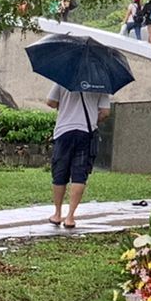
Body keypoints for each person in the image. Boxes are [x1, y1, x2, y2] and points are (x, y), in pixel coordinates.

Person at [44, 81, 112, 228]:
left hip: (63, 132)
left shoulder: (63, 78)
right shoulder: (100, 83)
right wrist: (94, 117)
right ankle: (70, 217)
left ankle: (57, 214)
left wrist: (64, 105)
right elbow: (105, 112)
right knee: (79, 174)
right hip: (86, 133)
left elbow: (50, 101)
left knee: (59, 173)